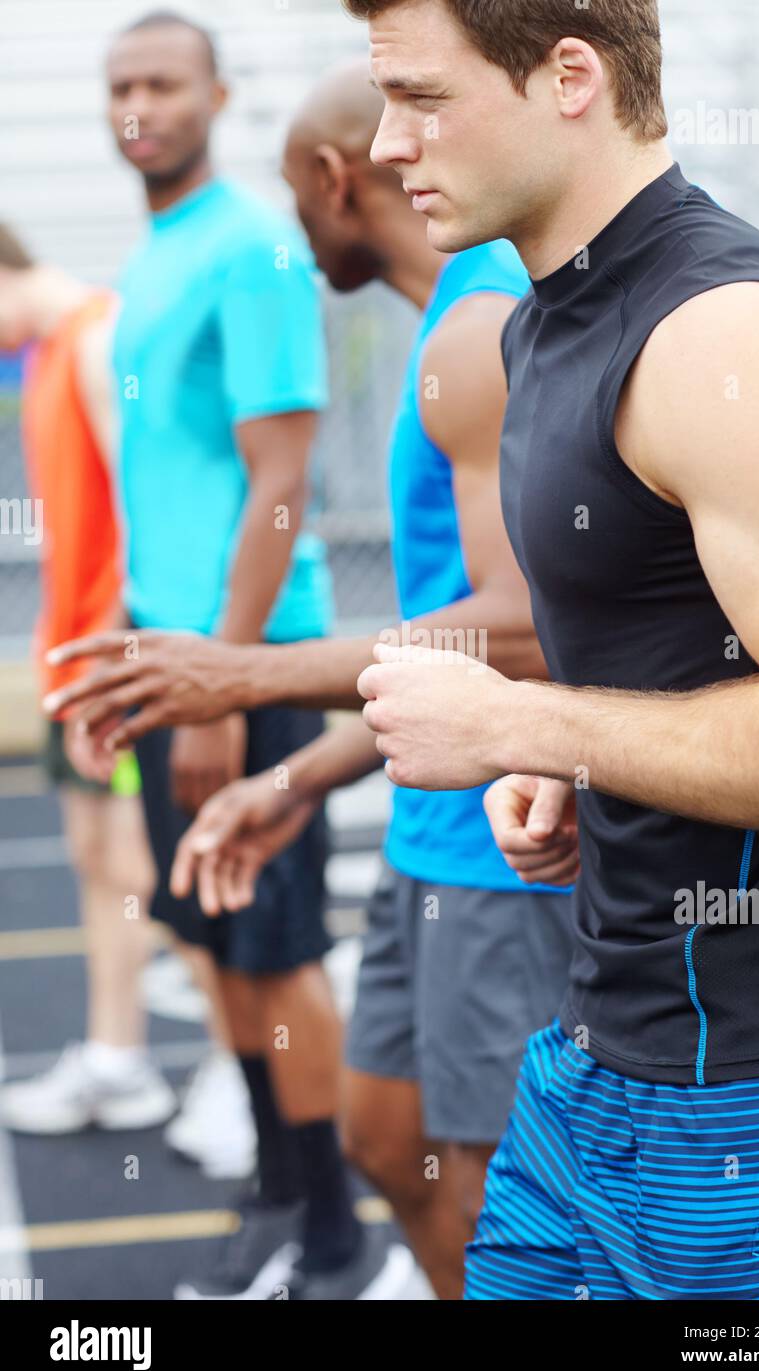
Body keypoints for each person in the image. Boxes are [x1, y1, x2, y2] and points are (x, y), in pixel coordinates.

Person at [332, 0, 759, 1300]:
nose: (387, 145)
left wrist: (531, 726)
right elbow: (686, 650)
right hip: (588, 1052)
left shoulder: (727, 333)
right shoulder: (538, 324)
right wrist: (585, 765)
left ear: (568, 75)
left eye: (422, 97)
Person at [46, 59, 578, 1301]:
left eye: (297, 191)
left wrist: (243, 677)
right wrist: (295, 773)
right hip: (419, 827)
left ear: (333, 181)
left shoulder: (479, 325)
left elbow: (522, 632)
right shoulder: (443, 321)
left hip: (500, 849)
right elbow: (449, 625)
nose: (293, 220)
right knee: (383, 1138)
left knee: (491, 1192)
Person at [72, 10, 390, 1302]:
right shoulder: (156, 250)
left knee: (272, 954)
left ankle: (326, 1230)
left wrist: (224, 675)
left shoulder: (255, 244)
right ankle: (273, 1175)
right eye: (118, 87)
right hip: (175, 653)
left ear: (215, 92)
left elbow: (279, 477)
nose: (136, 105)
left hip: (248, 658)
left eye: (160, 82)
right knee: (208, 936)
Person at [0, 224, 174, 1136]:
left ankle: (240, 1074)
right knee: (97, 860)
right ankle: (118, 1057)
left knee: (151, 870)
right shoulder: (41, 355)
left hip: (114, 659)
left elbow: (145, 515)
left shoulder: (102, 339)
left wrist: (113, 653)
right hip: (74, 660)